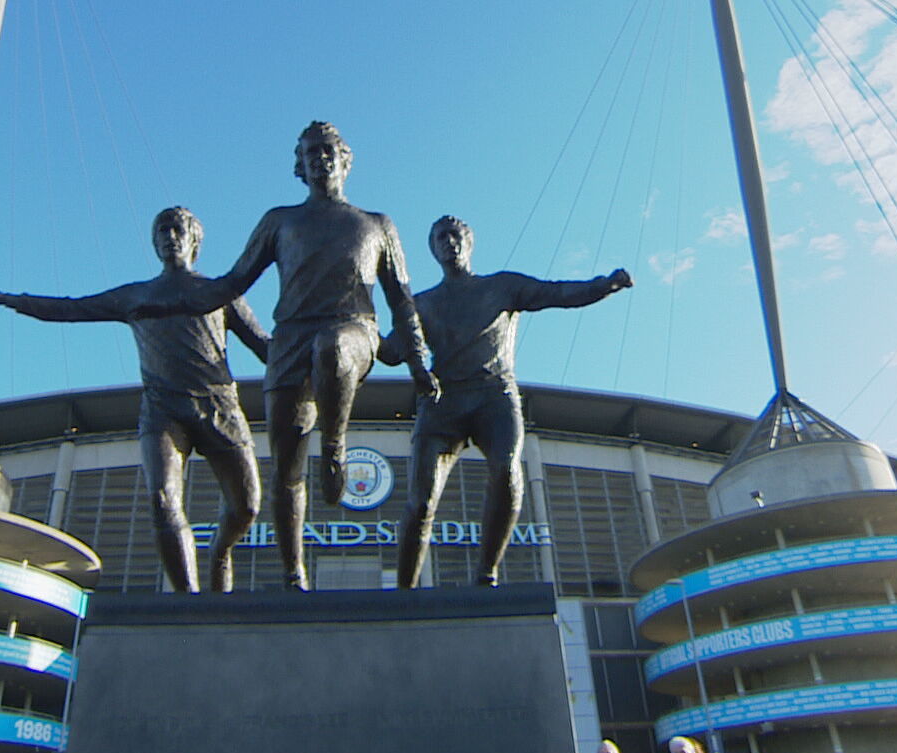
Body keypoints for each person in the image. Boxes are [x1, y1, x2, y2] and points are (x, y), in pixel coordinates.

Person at [133, 122, 438, 590]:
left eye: (329, 150)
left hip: (354, 331)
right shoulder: (280, 221)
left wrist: (417, 362)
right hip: (290, 343)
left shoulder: (377, 225)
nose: (321, 158)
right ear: (300, 165)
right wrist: (171, 299)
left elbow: (402, 300)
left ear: (346, 159)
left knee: (333, 349)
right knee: (286, 470)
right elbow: (231, 284)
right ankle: (294, 573)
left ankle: (334, 445)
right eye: (311, 152)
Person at [0, 207, 267, 594]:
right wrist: (8, 299)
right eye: (161, 231)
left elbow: (264, 347)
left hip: (218, 407)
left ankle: (220, 551)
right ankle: (187, 601)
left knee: (247, 508)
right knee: (163, 499)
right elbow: (70, 309)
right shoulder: (135, 295)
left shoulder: (221, 292)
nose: (169, 237)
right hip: (163, 411)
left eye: (177, 229)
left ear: (195, 240)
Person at [381, 215, 631, 588]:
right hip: (443, 402)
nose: (449, 242)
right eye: (440, 238)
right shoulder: (422, 304)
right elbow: (391, 352)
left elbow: (557, 293)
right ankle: (404, 591)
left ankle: (486, 572)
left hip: (493, 395)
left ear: (470, 242)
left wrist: (604, 285)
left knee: (506, 470)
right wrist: (359, 324)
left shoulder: (502, 287)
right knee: (420, 502)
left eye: (455, 235)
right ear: (432, 250)